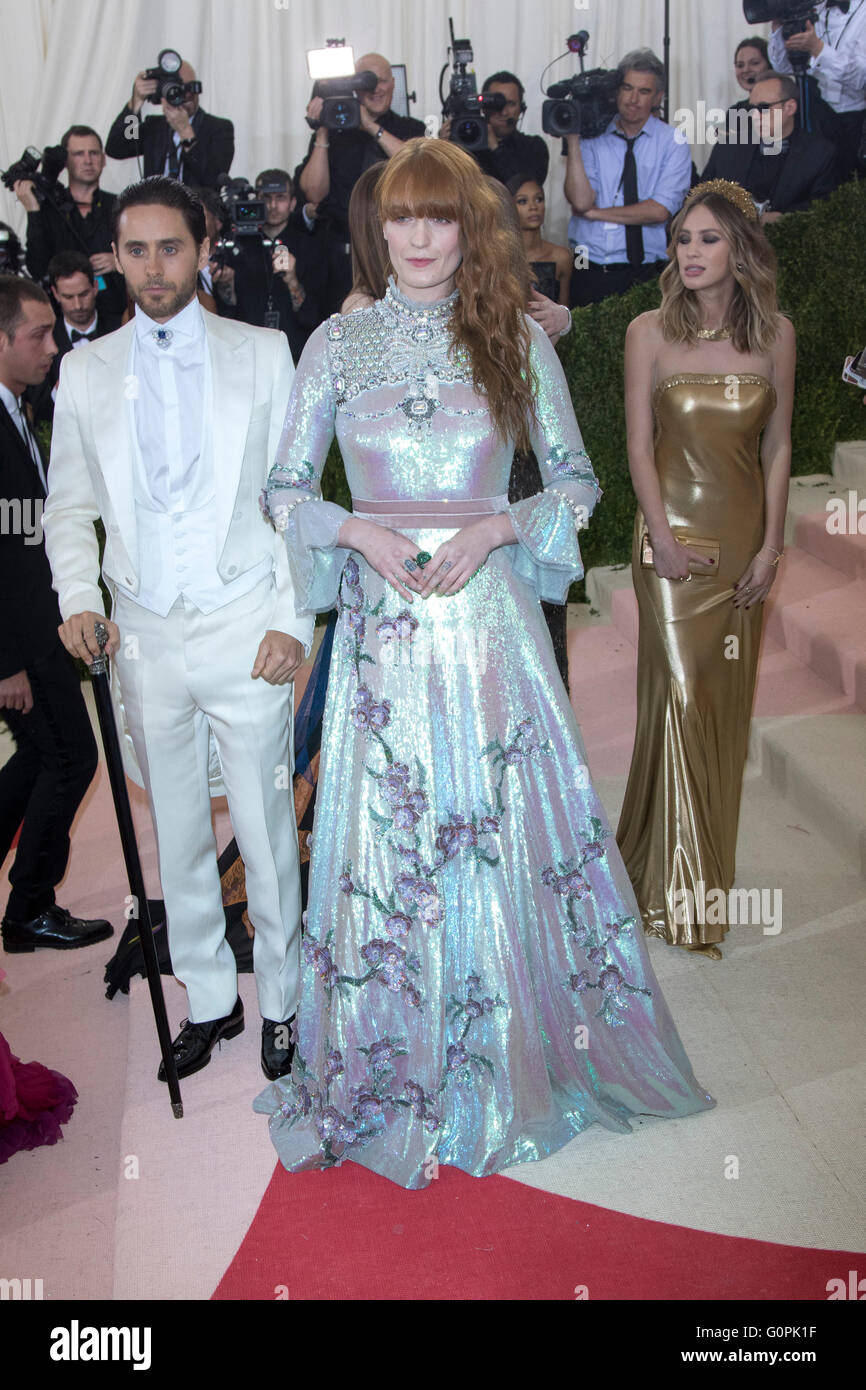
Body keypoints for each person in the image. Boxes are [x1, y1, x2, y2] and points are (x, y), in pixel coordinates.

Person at [253, 138, 714, 1190]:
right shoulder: (335, 342)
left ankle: (512, 1046)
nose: (420, 238)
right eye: (402, 219)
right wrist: (356, 532)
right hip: (381, 630)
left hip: (488, 628)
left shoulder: (512, 336)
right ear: (379, 228)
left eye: (441, 217)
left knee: (499, 833)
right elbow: (282, 488)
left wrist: (499, 528)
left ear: (467, 226)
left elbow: (577, 480)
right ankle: (389, 1060)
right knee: (390, 842)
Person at [42, 177, 314, 1083]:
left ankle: (282, 999)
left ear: (201, 249)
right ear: (111, 258)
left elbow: (294, 502)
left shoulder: (265, 351)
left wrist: (292, 618)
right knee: (180, 835)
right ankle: (209, 997)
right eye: (136, 250)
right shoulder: (84, 371)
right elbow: (69, 507)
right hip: (145, 638)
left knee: (269, 825)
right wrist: (77, 599)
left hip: (245, 625)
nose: (154, 268)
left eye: (170, 248)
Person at [616, 179, 794, 958]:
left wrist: (770, 547)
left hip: (742, 544)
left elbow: (778, 447)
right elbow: (635, 447)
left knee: (718, 714)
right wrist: (663, 538)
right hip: (670, 544)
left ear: (742, 251)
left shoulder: (777, 336)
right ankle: (684, 898)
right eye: (682, 238)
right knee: (685, 699)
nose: (689, 252)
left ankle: (665, 865)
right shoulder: (647, 332)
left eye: (707, 239)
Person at [0, 275, 112, 953]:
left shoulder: (18, 408)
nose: (53, 346)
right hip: (19, 642)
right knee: (72, 758)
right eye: (38, 334)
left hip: (36, 627)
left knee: (40, 759)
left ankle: (28, 903)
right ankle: (29, 909)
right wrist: (4, 663)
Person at [296, 52, 426, 315]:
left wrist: (369, 125)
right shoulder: (334, 131)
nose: (376, 89)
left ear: (393, 84)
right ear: (355, 88)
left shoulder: (410, 127)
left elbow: (417, 166)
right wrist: (322, 129)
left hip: (396, 253)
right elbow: (314, 193)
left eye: (382, 81)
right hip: (340, 257)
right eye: (368, 83)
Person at [564, 48, 691, 308]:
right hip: (589, 266)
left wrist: (596, 213)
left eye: (644, 91)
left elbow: (658, 211)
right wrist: (573, 138)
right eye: (627, 88)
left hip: (647, 271)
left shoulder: (673, 141)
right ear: (616, 91)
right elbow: (580, 201)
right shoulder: (591, 138)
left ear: (658, 96)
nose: (633, 99)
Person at [211, 170, 325, 362]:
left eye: (280, 198)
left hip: (294, 355)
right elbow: (226, 316)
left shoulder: (310, 247)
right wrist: (225, 284)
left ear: (293, 203)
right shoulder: (236, 245)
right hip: (247, 355)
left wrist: (293, 281)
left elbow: (313, 318)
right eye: (266, 197)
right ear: (256, 199)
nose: (273, 205)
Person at [15, 126, 126, 317]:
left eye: (93, 153)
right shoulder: (48, 208)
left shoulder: (122, 205)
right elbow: (37, 268)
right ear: (65, 161)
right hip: (65, 321)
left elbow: (144, 254)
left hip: (118, 315)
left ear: (103, 159)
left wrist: (120, 260)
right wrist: (33, 211)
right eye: (78, 154)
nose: (87, 160)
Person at [703, 72, 839, 220]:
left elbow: (825, 207)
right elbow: (701, 196)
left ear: (790, 107)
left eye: (763, 107)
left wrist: (783, 217)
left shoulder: (820, 153)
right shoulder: (729, 146)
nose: (755, 115)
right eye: (751, 109)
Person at [768, 1, 866, 178]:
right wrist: (777, 28)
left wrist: (817, 48)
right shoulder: (812, 8)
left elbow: (861, 75)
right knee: (810, 182)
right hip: (810, 112)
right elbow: (783, 67)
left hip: (850, 121)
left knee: (845, 184)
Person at [105, 60, 234, 188]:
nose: (187, 94)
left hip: (197, 207)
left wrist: (185, 133)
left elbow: (213, 180)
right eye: (178, 88)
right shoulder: (155, 127)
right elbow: (117, 147)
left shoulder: (219, 128)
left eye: (191, 87)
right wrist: (136, 102)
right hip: (156, 205)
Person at [28, 251, 122, 423]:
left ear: (95, 287)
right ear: (55, 294)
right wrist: (60, 389)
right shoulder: (42, 342)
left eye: (83, 294)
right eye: (68, 297)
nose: (78, 305)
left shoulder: (119, 329)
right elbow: (40, 412)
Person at [440, 71, 549, 187]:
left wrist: (496, 149)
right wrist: (443, 150)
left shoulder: (534, 147)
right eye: (496, 104)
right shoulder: (465, 147)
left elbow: (524, 192)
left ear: (521, 108)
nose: (504, 112)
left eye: (511, 104)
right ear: (483, 108)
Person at [507, 174, 572, 307]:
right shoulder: (501, 257)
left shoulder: (561, 257)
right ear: (509, 208)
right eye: (522, 201)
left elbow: (565, 310)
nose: (533, 207)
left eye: (539, 199)